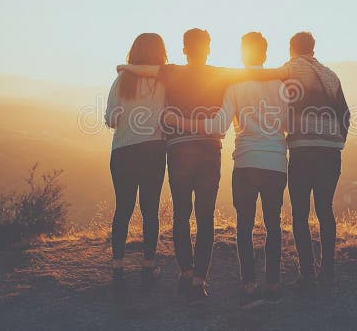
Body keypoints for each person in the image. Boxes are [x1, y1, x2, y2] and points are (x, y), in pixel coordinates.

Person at [118, 28, 282, 305]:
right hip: (209, 151)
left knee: (181, 214)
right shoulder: (221, 74)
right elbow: (257, 73)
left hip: (179, 150)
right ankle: (199, 280)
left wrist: (125, 67)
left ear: (184, 49)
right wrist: (284, 72)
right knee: (206, 218)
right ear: (208, 49)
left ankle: (186, 270)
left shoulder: (170, 72)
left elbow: (145, 70)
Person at [169, 32, 287, 309]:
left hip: (246, 161)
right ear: (266, 54)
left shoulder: (236, 86)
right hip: (276, 162)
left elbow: (218, 126)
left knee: (244, 227)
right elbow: (292, 119)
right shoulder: (282, 84)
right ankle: (273, 283)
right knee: (274, 224)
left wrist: (180, 122)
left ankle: (249, 285)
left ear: (243, 55)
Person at [283, 31, 350, 292]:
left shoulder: (288, 70)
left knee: (300, 213)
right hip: (330, 152)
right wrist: (337, 141)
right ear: (312, 49)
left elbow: (280, 107)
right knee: (325, 210)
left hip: (302, 150)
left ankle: (307, 273)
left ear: (291, 49)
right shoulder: (331, 75)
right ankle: (328, 272)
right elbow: (345, 114)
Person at [104, 33, 168, 292]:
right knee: (150, 210)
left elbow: (110, 119)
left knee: (123, 209)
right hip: (153, 150)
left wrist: (124, 116)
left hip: (123, 152)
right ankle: (148, 265)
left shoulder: (122, 81)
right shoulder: (165, 82)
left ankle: (118, 267)